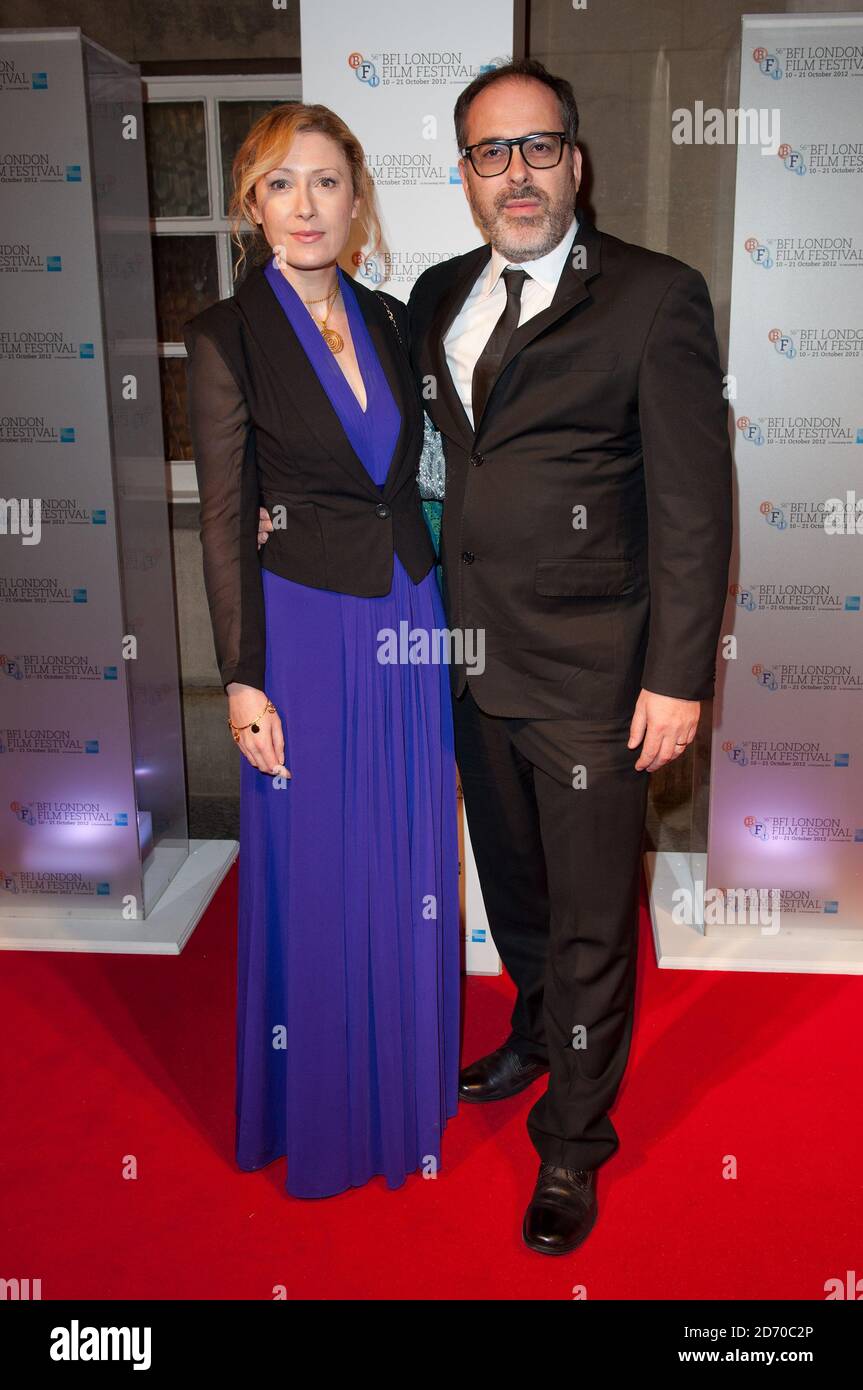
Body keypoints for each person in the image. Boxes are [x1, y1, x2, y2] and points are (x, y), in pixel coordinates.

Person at [258, 62, 733, 1252]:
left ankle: (575, 1142)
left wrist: (675, 676)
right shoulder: (432, 294)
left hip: (592, 680)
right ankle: (535, 1033)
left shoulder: (652, 297)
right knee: (516, 890)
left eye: (536, 148)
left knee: (587, 920)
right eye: (488, 153)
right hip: (458, 665)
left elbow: (691, 506)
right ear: (464, 175)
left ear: (575, 159)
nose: (514, 174)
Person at [184, 103, 460, 1200]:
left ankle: (406, 1077)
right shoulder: (224, 335)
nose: (306, 207)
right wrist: (242, 680)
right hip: (300, 632)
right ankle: (330, 1106)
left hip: (406, 614)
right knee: (320, 860)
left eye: (327, 183)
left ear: (358, 198)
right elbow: (221, 518)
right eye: (280, 185)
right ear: (253, 206)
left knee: (404, 856)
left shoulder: (391, 318)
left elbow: (423, 470)